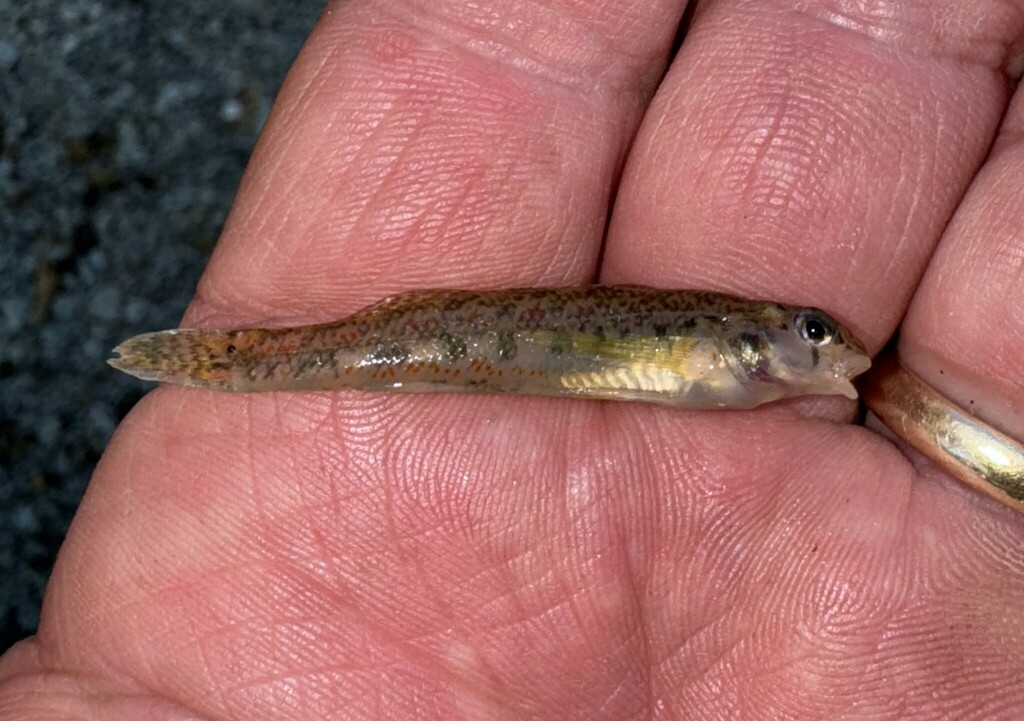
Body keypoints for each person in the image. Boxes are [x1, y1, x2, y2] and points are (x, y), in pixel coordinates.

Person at [2, 1, 1023, 718]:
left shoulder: (745, 358)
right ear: (760, 330)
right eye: (808, 330)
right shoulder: (735, 341)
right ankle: (235, 363)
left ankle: (238, 362)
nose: (824, 343)